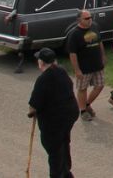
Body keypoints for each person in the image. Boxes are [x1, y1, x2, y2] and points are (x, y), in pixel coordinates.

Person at [28, 48, 79, 178]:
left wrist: (32, 112)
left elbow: (33, 105)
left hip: (54, 121)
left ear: (41, 63)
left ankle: (57, 174)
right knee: (64, 142)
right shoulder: (62, 71)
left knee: (54, 148)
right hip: (69, 115)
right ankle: (66, 172)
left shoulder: (43, 79)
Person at [65, 9, 106, 121]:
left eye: (90, 17)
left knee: (100, 85)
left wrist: (103, 56)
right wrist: (77, 70)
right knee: (82, 88)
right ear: (79, 20)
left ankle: (87, 104)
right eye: (86, 18)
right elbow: (72, 53)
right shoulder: (74, 34)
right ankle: (83, 111)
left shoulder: (95, 27)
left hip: (97, 65)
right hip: (84, 67)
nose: (90, 20)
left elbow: (100, 42)